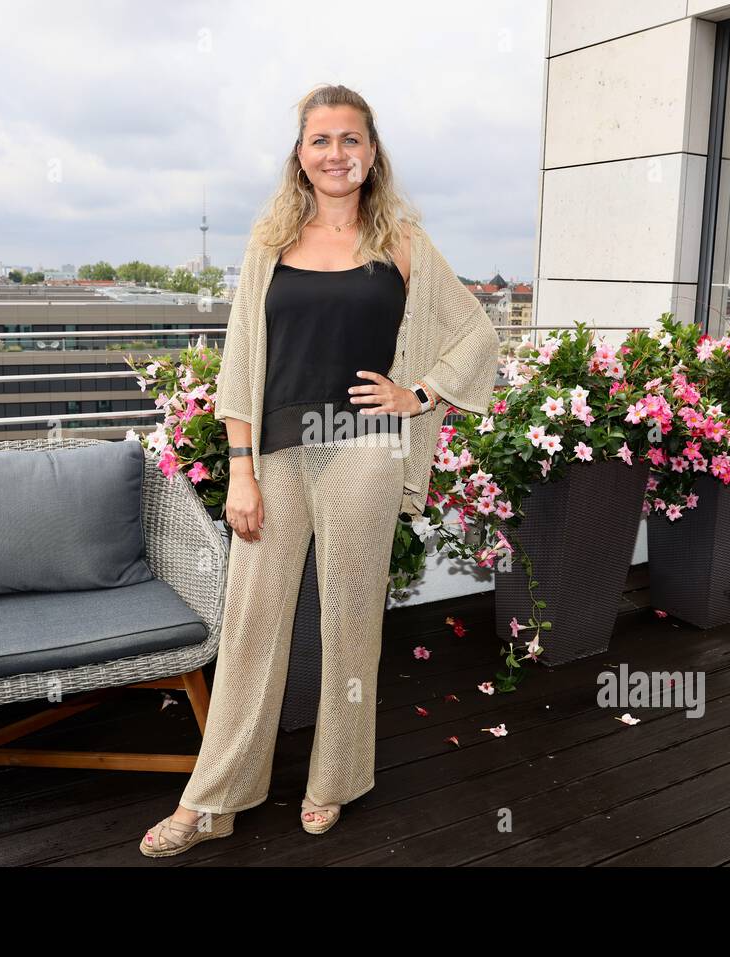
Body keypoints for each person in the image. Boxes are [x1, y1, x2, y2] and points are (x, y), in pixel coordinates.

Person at [141, 83, 499, 858]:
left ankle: (332, 779)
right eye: (321, 140)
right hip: (275, 450)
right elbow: (241, 361)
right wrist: (241, 471)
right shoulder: (270, 242)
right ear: (300, 155)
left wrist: (418, 394)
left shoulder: (403, 242)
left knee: (350, 620)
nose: (336, 153)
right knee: (250, 624)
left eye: (350, 139)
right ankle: (212, 799)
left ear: (372, 152)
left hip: (363, 447)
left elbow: (475, 331)